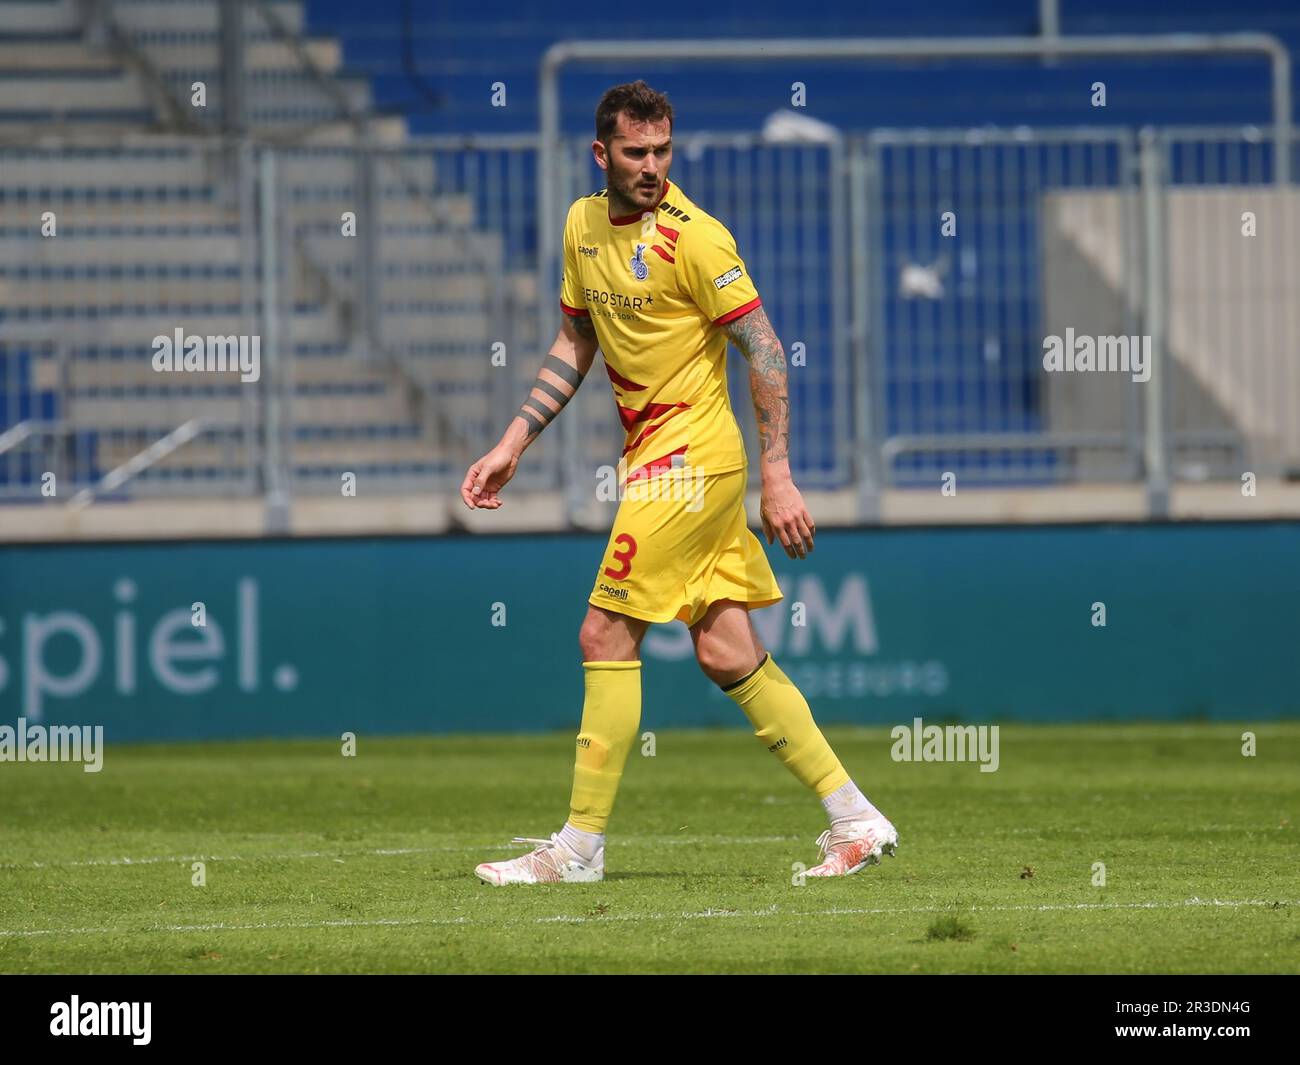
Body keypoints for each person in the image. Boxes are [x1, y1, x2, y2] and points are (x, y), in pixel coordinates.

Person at [460, 80, 897, 885]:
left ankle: (578, 848)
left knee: (603, 634)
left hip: (692, 463)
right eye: (636, 152)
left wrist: (779, 471)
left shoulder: (696, 238)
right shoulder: (582, 226)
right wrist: (512, 439)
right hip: (655, 459)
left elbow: (764, 348)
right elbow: (575, 341)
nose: (653, 166)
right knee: (726, 648)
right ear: (602, 153)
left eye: (663, 150)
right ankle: (855, 817)